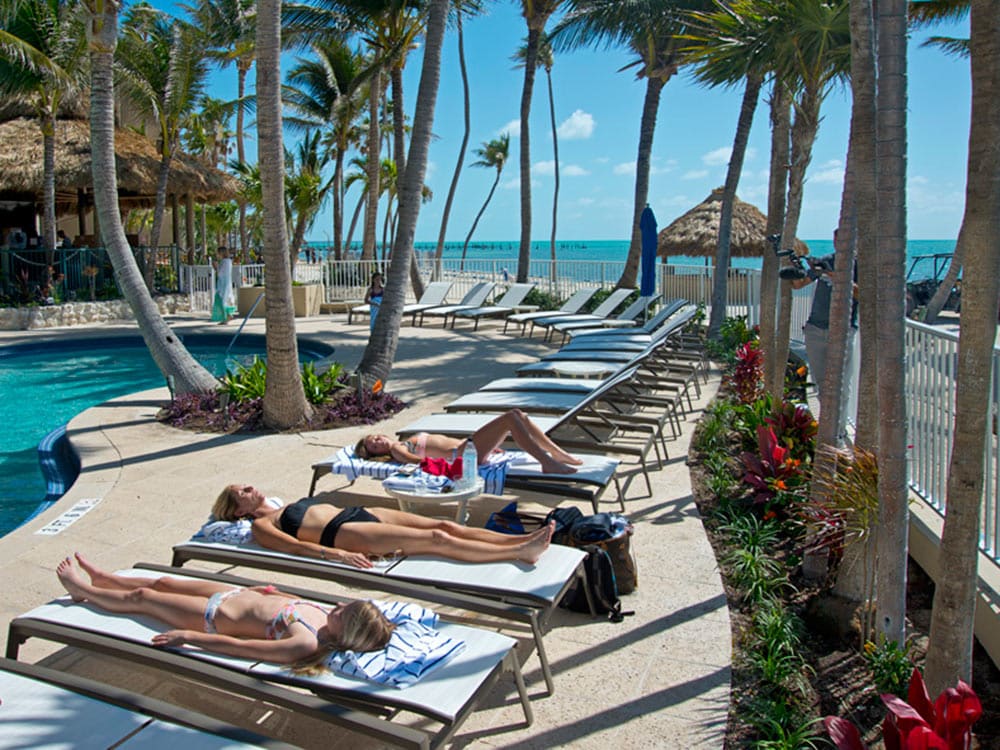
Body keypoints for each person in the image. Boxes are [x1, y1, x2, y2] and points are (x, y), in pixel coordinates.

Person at [55, 553, 395, 669]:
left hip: (211, 617)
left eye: (343, 612)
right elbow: (291, 603)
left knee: (143, 597)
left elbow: (242, 648)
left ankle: (84, 591)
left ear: (346, 631)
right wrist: (269, 592)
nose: (338, 606)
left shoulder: (305, 642)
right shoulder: (325, 619)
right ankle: (105, 579)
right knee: (163, 581)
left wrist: (189, 637)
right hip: (232, 594)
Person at [213, 484, 554, 568]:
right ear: (238, 511)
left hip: (361, 513)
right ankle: (517, 553)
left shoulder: (279, 504)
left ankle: (521, 538)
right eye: (242, 492)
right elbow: (295, 547)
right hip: (345, 534)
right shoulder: (262, 525)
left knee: (443, 523)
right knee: (436, 538)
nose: (250, 488)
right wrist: (338, 555)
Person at [357, 409, 582, 475]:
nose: (377, 441)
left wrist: (488, 445)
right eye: (374, 447)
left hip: (466, 449)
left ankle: (556, 453)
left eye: (374, 438)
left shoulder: (404, 440)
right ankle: (547, 461)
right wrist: (450, 468)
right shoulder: (398, 449)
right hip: (462, 457)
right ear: (379, 454)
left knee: (518, 416)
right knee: (511, 418)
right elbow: (419, 462)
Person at [788, 229, 858, 403]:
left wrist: (833, 275)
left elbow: (862, 294)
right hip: (815, 328)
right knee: (820, 382)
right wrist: (795, 267)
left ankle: (841, 421)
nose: (839, 244)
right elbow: (799, 285)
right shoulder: (825, 261)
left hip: (843, 330)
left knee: (842, 385)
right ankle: (826, 418)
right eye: (836, 240)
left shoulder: (859, 265)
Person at [211, 247, 236, 324]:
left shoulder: (224, 262)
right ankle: (226, 317)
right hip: (226, 283)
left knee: (222, 300)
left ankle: (226, 317)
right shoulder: (228, 261)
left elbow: (220, 273)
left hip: (223, 284)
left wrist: (215, 266)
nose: (217, 255)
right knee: (225, 299)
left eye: (218, 253)